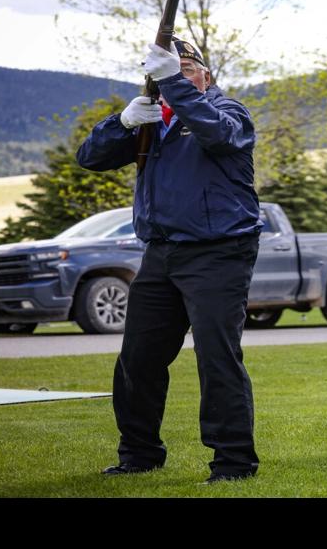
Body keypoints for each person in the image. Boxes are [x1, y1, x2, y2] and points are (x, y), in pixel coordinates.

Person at [77, 38, 263, 483]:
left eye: (187, 67)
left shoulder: (228, 111)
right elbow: (89, 158)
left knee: (217, 357)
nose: (178, 73)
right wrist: (121, 122)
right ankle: (139, 454)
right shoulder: (152, 120)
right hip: (160, 253)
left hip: (219, 251)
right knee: (137, 359)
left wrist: (171, 82)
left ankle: (233, 463)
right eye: (168, 68)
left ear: (206, 75)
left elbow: (217, 134)